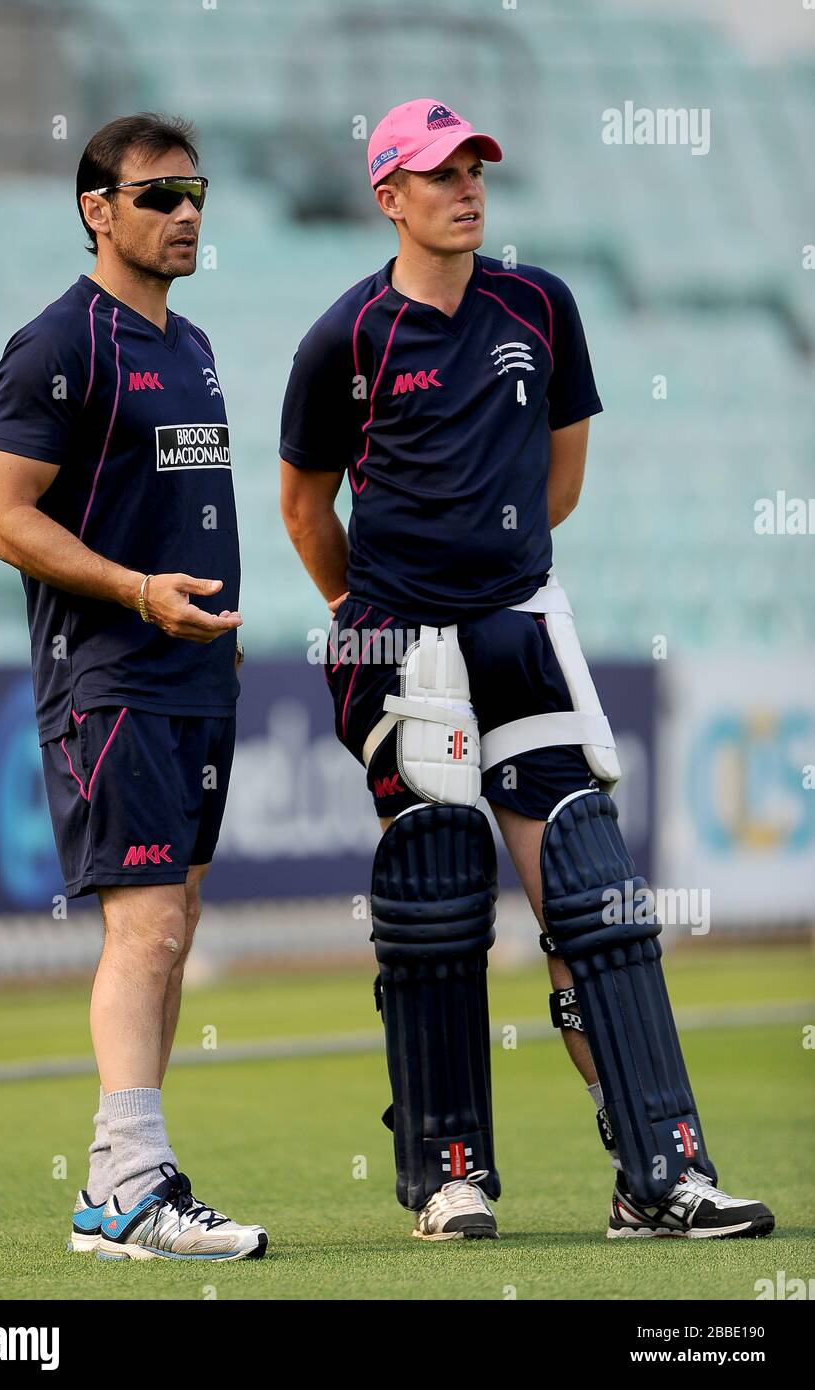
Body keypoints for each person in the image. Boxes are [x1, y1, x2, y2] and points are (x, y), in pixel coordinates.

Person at [280, 98, 773, 1241]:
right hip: (401, 642)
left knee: (594, 901)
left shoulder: (538, 304)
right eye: (439, 172)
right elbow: (305, 511)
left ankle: (661, 1173)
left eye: (475, 168)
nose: (466, 187)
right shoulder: (342, 338)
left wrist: (491, 568)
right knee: (441, 899)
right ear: (387, 196)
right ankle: (450, 1175)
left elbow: (560, 479)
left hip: (519, 623)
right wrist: (382, 617)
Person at [0, 112, 267, 1262]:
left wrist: (206, 628)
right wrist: (139, 592)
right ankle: (144, 1186)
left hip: (193, 677)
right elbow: (3, 520)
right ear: (98, 210)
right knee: (144, 927)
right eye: (159, 196)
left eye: (196, 192)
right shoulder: (58, 344)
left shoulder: (190, 346)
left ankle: (113, 1191)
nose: (186, 212)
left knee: (174, 925)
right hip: (107, 678)